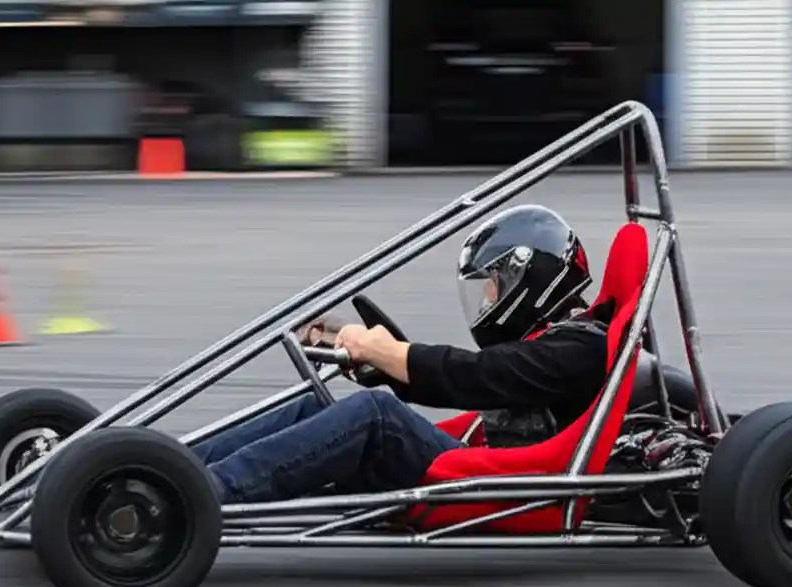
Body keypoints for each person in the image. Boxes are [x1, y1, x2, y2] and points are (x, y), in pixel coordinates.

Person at [192, 204, 615, 504]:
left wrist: (388, 351)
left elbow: (478, 376)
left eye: (493, 284)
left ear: (530, 276)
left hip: (503, 479)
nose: (487, 297)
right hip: (491, 460)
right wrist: (385, 362)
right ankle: (178, 465)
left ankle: (206, 493)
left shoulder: (582, 346)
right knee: (310, 409)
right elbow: (483, 380)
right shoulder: (558, 339)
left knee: (375, 413)